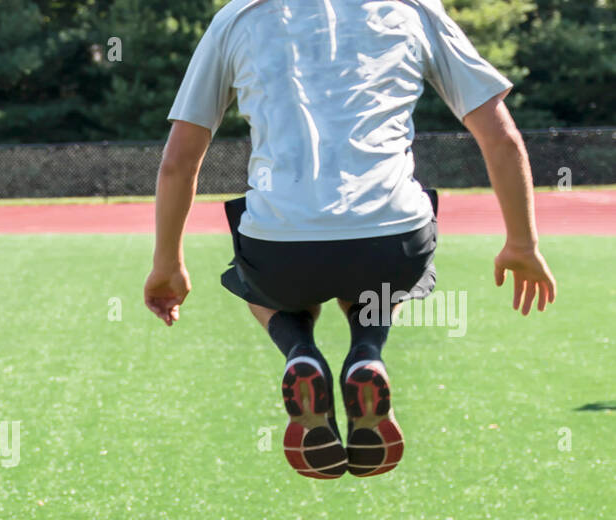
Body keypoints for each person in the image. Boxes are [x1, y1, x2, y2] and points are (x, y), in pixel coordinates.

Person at [144, 0, 557, 479]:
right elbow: (501, 136)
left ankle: (299, 350)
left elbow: (179, 161)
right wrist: (522, 244)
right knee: (384, 266)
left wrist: (168, 263)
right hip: (392, 242)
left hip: (281, 251)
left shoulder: (239, 17)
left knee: (257, 277)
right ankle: (367, 352)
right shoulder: (414, 9)